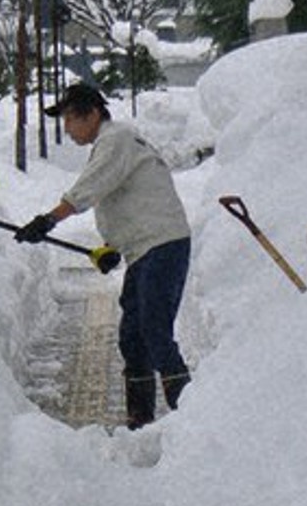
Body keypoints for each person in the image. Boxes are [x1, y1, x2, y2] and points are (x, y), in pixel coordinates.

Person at [16, 83, 192, 430]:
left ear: (92, 113)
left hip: (162, 246)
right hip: (148, 248)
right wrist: (111, 248)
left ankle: (191, 415)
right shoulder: (115, 143)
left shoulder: (116, 140)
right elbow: (125, 200)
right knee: (133, 336)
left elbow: (90, 187)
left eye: (70, 118)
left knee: (154, 331)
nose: (66, 128)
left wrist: (48, 220)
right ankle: (139, 421)